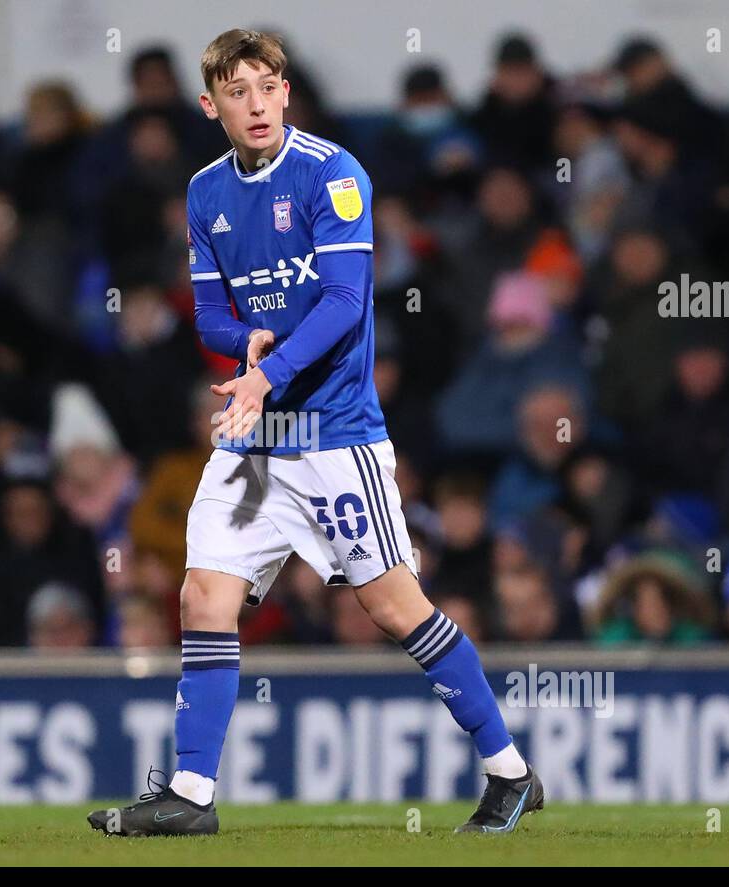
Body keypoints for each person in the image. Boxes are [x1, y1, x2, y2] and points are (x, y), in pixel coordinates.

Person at [88, 29, 541, 838]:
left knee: (395, 609)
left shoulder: (334, 174)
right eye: (237, 92)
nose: (255, 104)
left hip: (334, 435)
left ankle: (509, 770)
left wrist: (265, 373)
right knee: (202, 595)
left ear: (286, 93)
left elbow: (343, 303)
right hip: (254, 443)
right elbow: (215, 312)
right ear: (210, 105)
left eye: (267, 87)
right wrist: (245, 345)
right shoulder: (204, 194)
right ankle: (191, 794)